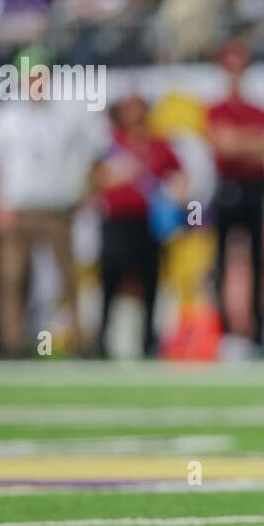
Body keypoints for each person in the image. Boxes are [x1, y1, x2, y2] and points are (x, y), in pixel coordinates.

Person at [0, 57, 103, 355]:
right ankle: (12, 343)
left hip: (57, 209)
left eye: (41, 78)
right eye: (31, 79)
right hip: (18, 209)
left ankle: (80, 342)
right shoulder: (5, 117)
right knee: (12, 278)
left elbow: (94, 154)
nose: (36, 85)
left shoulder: (66, 116)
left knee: (68, 278)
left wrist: (85, 191)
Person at [95, 93, 185, 357]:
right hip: (116, 221)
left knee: (150, 280)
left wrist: (174, 195)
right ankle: (102, 341)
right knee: (110, 281)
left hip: (147, 222)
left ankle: (148, 342)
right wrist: (118, 176)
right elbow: (95, 179)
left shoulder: (157, 144)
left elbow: (179, 176)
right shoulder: (109, 143)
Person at [207, 39, 264, 350]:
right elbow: (223, 145)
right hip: (227, 187)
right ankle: (222, 330)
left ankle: (258, 331)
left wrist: (240, 144)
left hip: (253, 188)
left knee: (259, 260)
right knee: (221, 260)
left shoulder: (258, 111)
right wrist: (248, 144)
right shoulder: (216, 109)